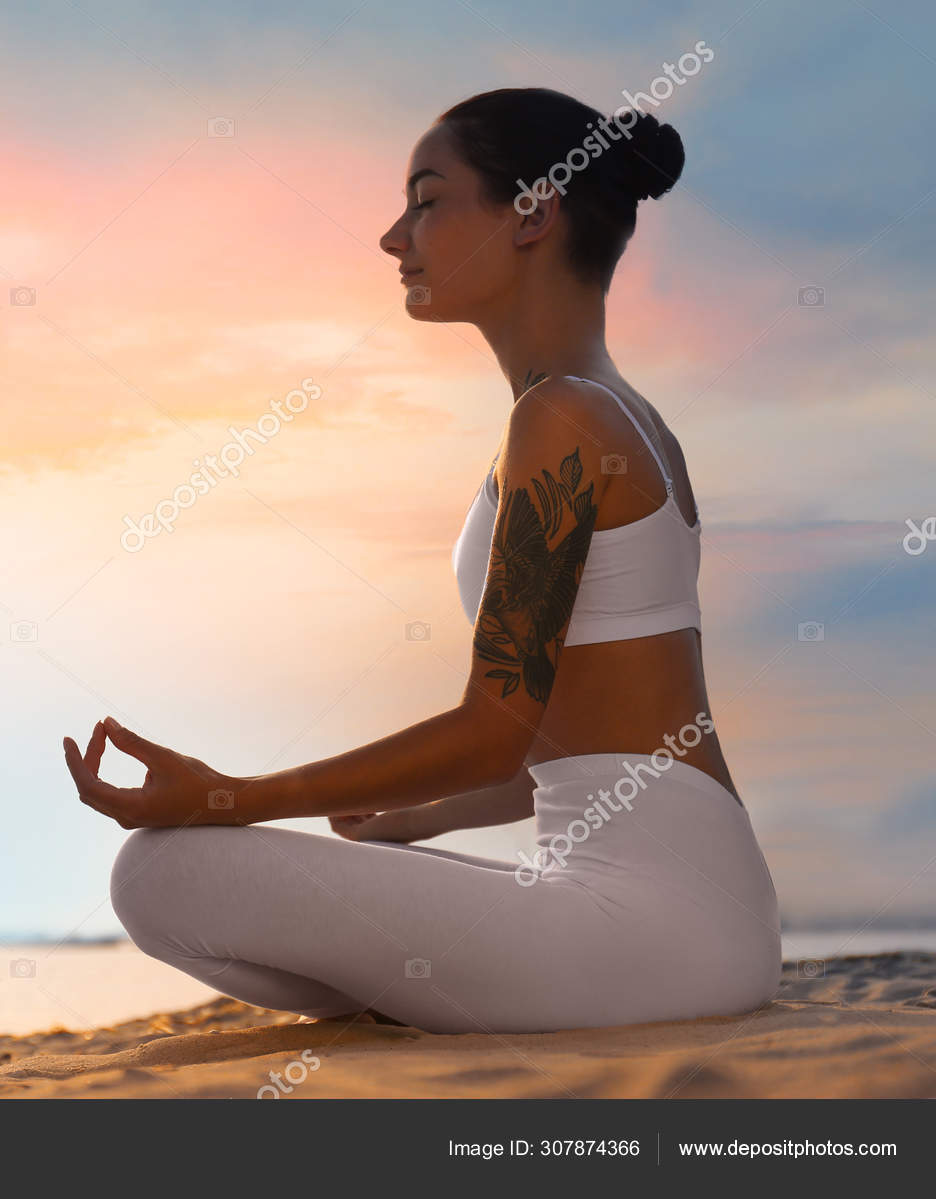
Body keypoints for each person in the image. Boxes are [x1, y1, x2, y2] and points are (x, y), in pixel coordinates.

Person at [63, 88, 780, 1034]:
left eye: (428, 200)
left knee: (159, 872)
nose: (394, 237)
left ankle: (421, 996)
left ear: (534, 213)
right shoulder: (627, 417)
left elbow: (494, 732)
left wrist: (229, 795)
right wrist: (415, 818)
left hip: (655, 929)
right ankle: (427, 992)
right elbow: (578, 744)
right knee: (318, 872)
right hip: (702, 911)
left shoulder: (562, 420)